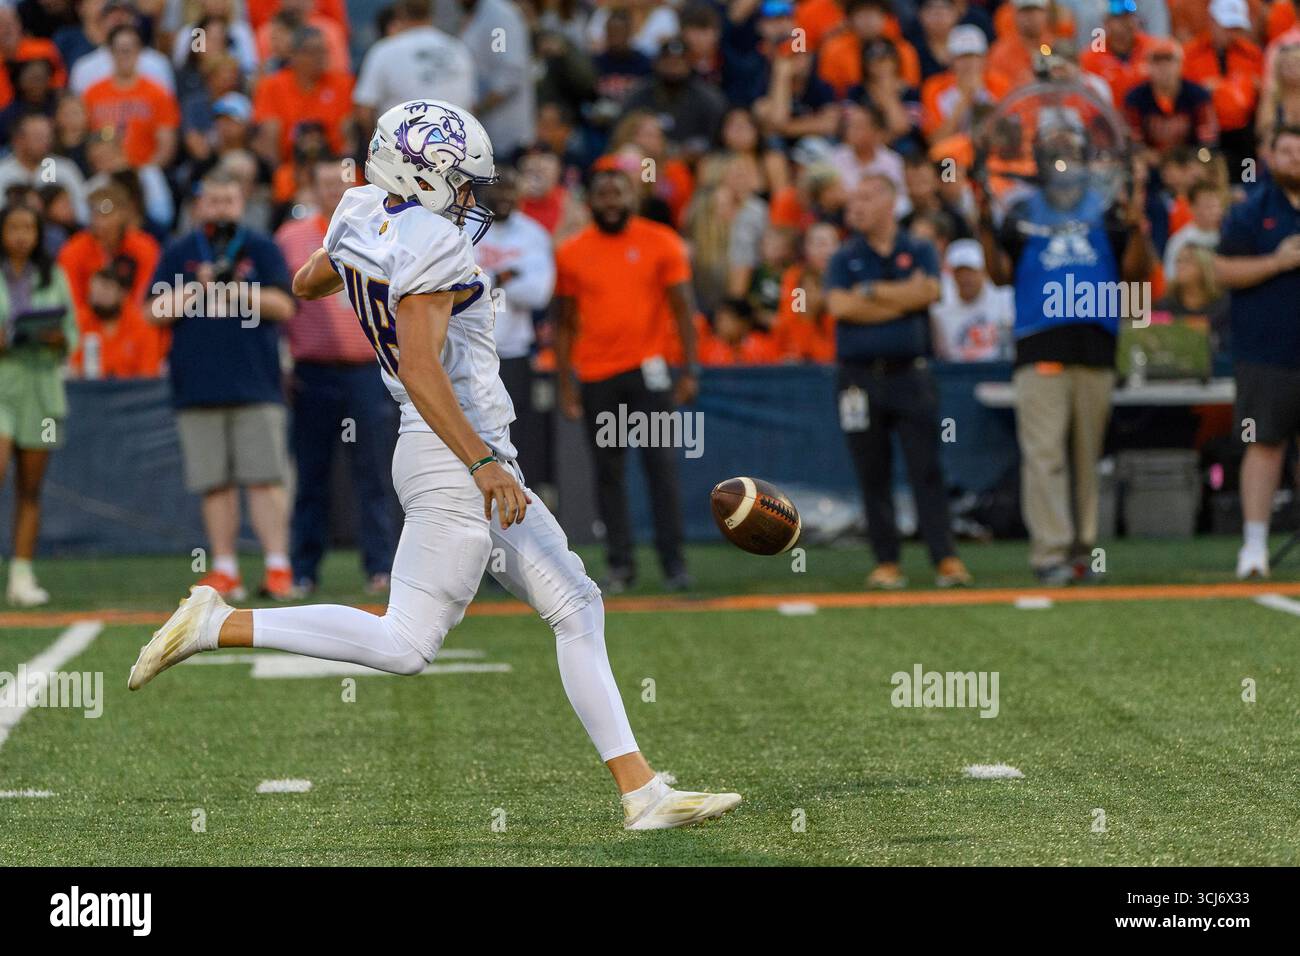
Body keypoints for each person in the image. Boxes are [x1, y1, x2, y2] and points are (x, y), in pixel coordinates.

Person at [128, 99, 740, 832]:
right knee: (407, 643)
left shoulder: (358, 205)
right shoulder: (435, 245)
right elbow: (421, 367)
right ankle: (218, 624)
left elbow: (308, 283)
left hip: (445, 446)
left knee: (577, 604)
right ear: (420, 172)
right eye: (461, 182)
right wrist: (482, 462)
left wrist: (364, 256)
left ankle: (642, 792)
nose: (472, 198)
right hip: (456, 450)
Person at [980, 109, 1155, 586]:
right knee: (1045, 455)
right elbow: (998, 275)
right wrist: (982, 223)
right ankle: (1051, 553)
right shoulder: (1019, 211)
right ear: (1039, 157)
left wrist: (1139, 227)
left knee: (1086, 457)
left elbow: (1136, 275)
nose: (1062, 157)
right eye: (1053, 149)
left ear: (1084, 154)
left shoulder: (1108, 210)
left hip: (1096, 345)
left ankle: (1084, 553)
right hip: (1040, 344)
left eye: (1070, 148)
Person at [148, 168, 296, 601]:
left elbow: (285, 306)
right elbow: (153, 312)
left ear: (241, 203)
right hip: (198, 384)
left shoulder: (261, 248)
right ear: (199, 206)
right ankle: (226, 567)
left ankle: (277, 566)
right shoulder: (181, 252)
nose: (220, 210)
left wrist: (237, 290)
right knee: (214, 481)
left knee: (266, 478)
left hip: (256, 382)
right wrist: (199, 286)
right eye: (212, 202)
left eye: (228, 201)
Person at [553, 168, 699, 593]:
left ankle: (674, 564)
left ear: (633, 196)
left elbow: (683, 309)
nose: (612, 202)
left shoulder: (661, 241)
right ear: (590, 202)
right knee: (608, 474)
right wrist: (566, 382)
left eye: (619, 193)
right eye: (603, 195)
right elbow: (563, 323)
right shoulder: (571, 252)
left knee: (661, 468)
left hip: (648, 374)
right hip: (598, 376)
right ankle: (620, 566)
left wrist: (690, 369)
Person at [825, 175, 973, 590]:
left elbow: (927, 293)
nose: (856, 206)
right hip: (858, 377)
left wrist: (869, 294)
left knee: (926, 469)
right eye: (854, 198)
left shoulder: (918, 247)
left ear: (889, 203)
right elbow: (839, 306)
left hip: (910, 373)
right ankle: (886, 560)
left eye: (866, 196)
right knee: (872, 471)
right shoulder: (844, 255)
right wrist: (897, 299)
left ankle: (945, 557)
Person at [276, 156, 399, 597]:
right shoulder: (291, 237)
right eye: (326, 182)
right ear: (312, 187)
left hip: (369, 368)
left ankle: (381, 566)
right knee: (311, 473)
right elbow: (280, 303)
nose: (334, 190)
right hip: (312, 370)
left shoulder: (381, 229)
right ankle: (303, 568)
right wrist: (283, 362)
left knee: (374, 472)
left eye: (342, 182)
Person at [1214, 125, 1300, 579]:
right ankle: (1253, 546)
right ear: (1270, 155)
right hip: (1266, 352)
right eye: (1286, 151)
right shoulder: (1251, 211)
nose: (1295, 159)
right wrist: (1277, 262)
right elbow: (1221, 270)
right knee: (1263, 444)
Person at [0, 202, 77, 606]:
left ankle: (21, 575)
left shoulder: (55, 275)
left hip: (41, 387)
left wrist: (53, 337)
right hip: (3, 384)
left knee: (30, 488)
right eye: (13, 226)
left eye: (28, 227)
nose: (20, 235)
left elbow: (72, 335)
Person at [475, 167, 555, 477]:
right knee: (476, 435)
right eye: (498, 189)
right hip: (472, 350)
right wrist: (508, 274)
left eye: (511, 190)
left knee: (514, 438)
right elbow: (460, 285)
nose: (504, 197)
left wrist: (489, 277)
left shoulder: (533, 234)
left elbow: (539, 293)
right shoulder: (466, 226)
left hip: (515, 352)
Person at [352, 0, 475, 132]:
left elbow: (364, 112)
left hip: (403, 148)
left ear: (400, 11)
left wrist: (379, 146)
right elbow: (471, 108)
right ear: (432, 10)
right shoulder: (458, 49)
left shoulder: (384, 52)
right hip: (455, 145)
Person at [929, 238, 1015, 362]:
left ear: (983, 271)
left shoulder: (1005, 298)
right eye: (960, 272)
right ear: (952, 274)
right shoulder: (939, 308)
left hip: (999, 372)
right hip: (957, 375)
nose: (965, 278)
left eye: (971, 271)